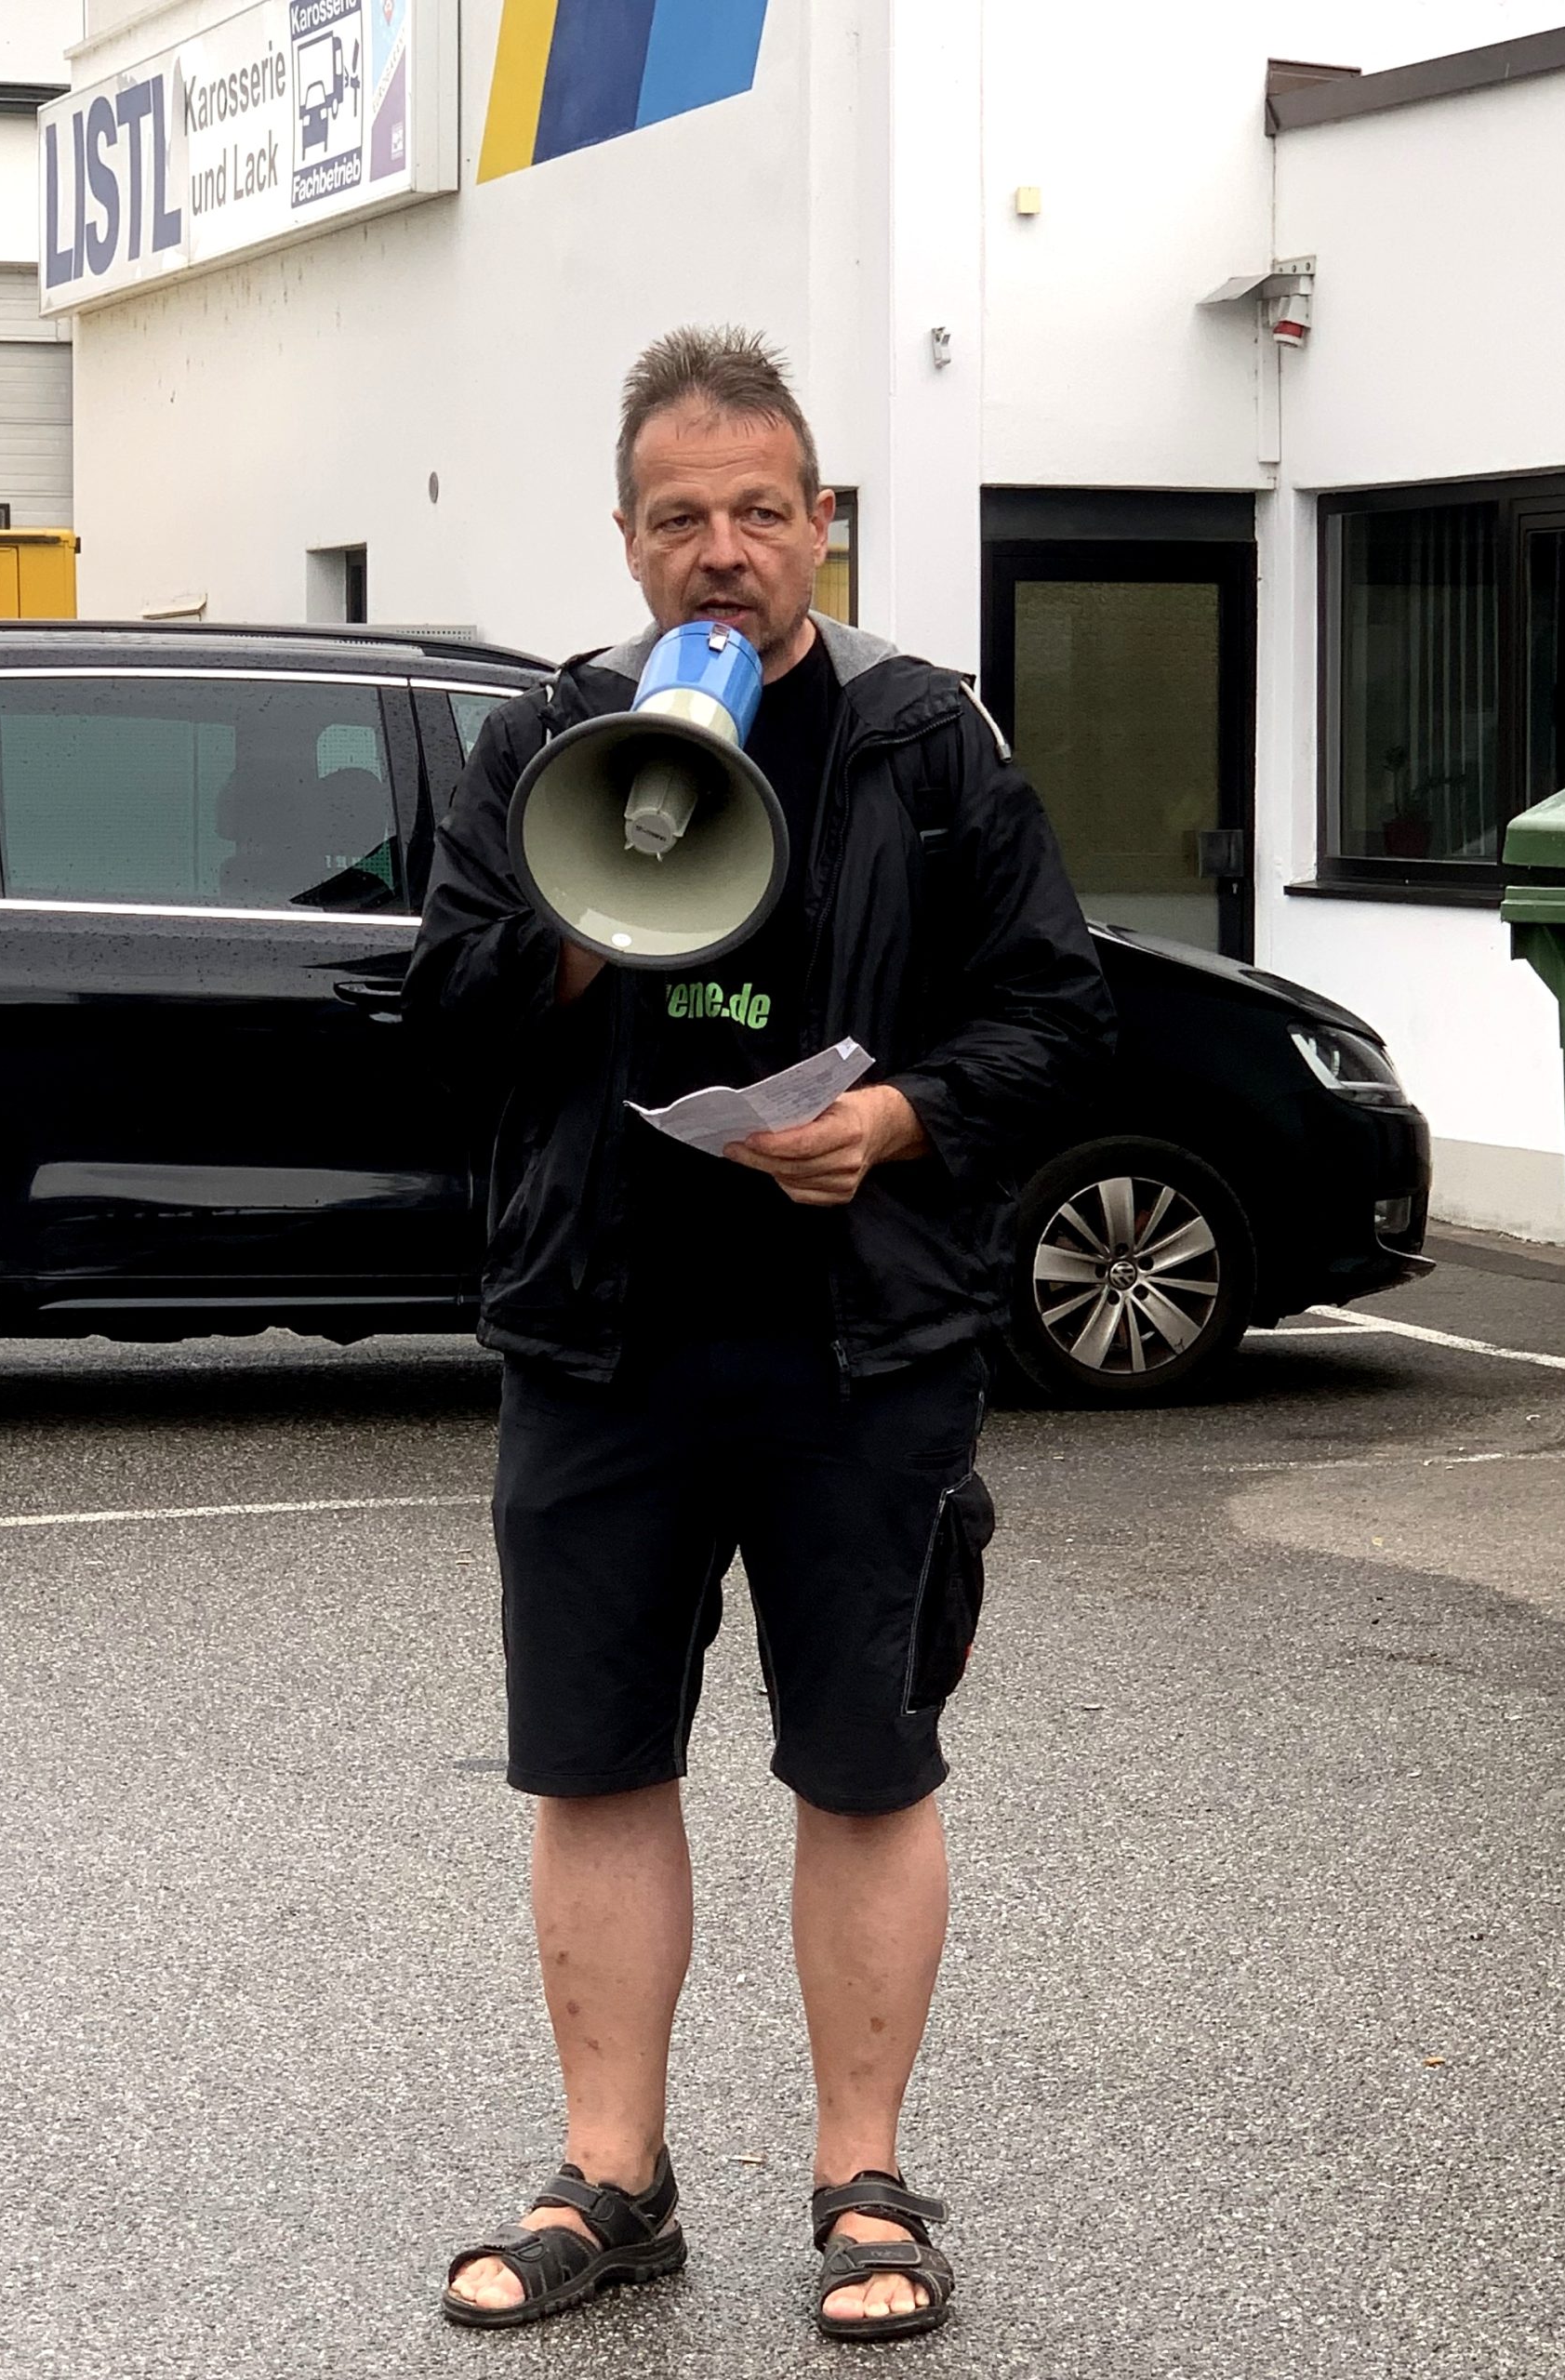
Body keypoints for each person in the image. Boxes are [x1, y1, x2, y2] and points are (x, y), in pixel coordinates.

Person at [406, 325, 1114, 2342]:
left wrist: (893, 1122)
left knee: (862, 1763)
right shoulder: (546, 736)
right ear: (625, 542)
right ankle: (609, 2172)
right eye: (674, 519)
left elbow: (1053, 1010)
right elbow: (434, 1018)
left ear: (822, 522)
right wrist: (570, 899)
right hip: (602, 1335)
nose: (719, 552)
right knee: (595, 1759)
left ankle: (859, 2175)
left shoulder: (922, 740)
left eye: (754, 512)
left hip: (856, 1344)